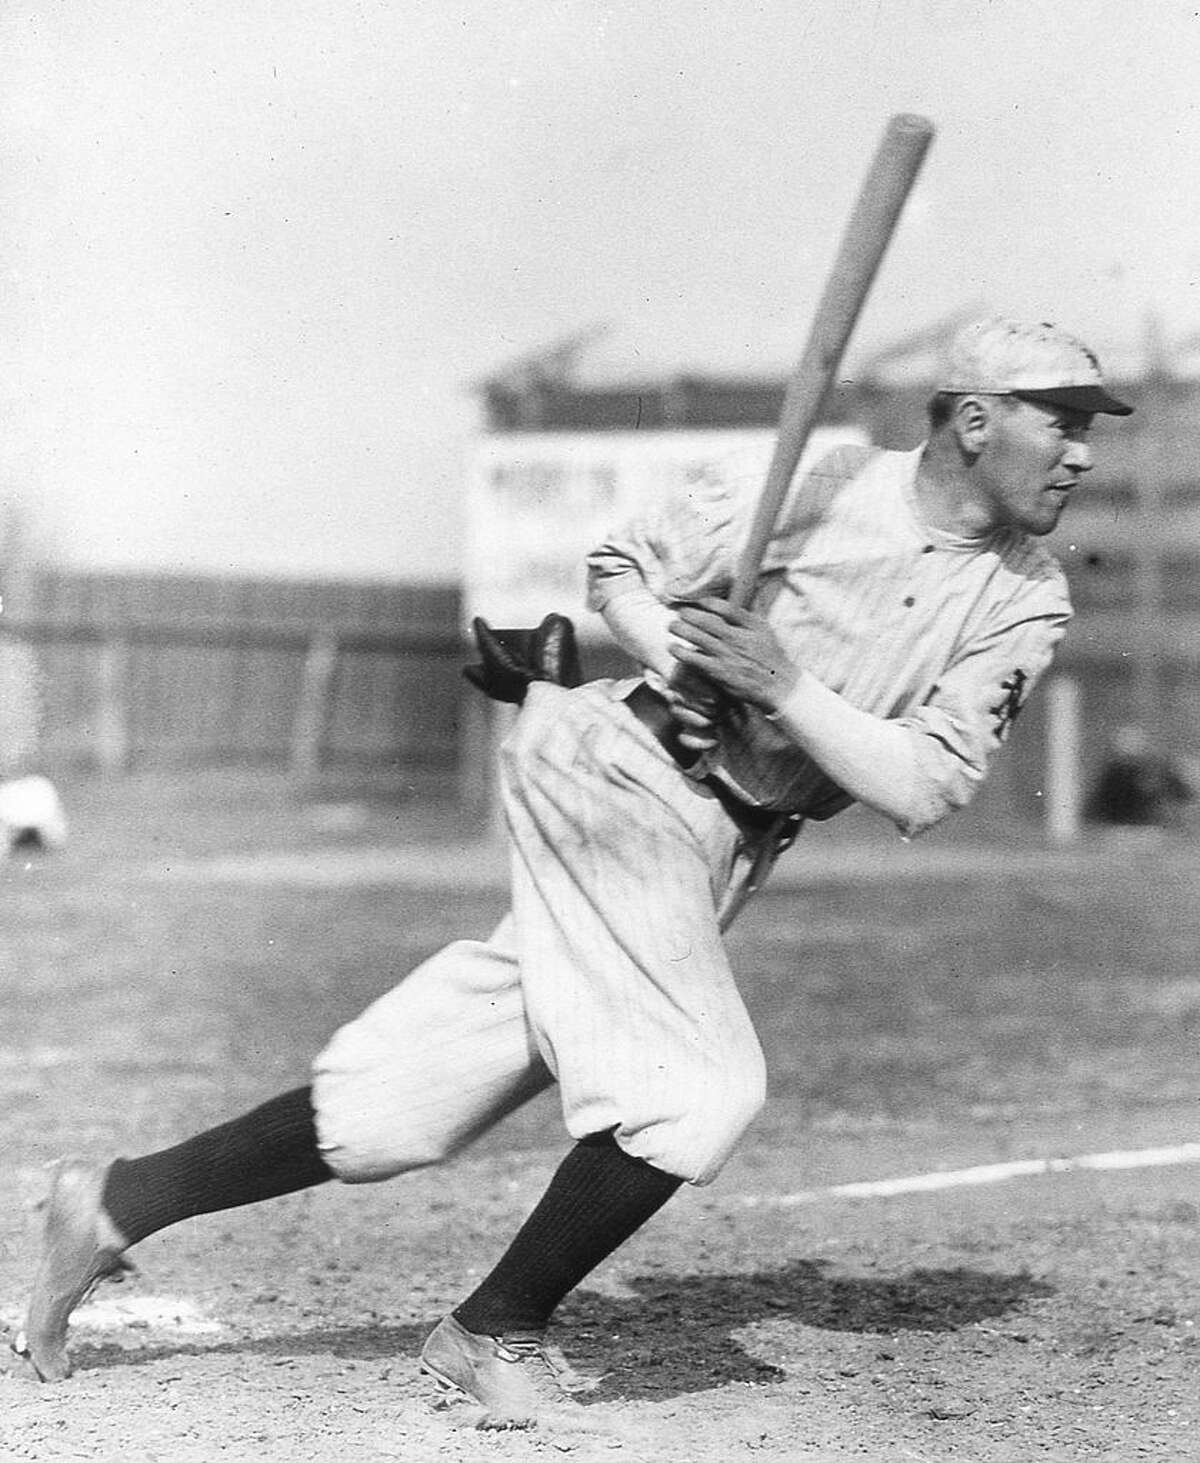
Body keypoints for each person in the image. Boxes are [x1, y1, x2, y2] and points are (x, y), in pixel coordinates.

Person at [13, 316, 1132, 1427]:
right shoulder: (820, 479)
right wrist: (674, 649)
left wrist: (778, 686)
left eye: (1090, 429)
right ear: (976, 420)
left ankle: (114, 1200)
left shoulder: (1027, 593)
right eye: (1065, 422)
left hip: (737, 833)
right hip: (619, 770)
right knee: (697, 1086)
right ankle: (493, 1326)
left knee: (401, 1102)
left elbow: (922, 787)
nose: (1083, 453)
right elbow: (621, 569)